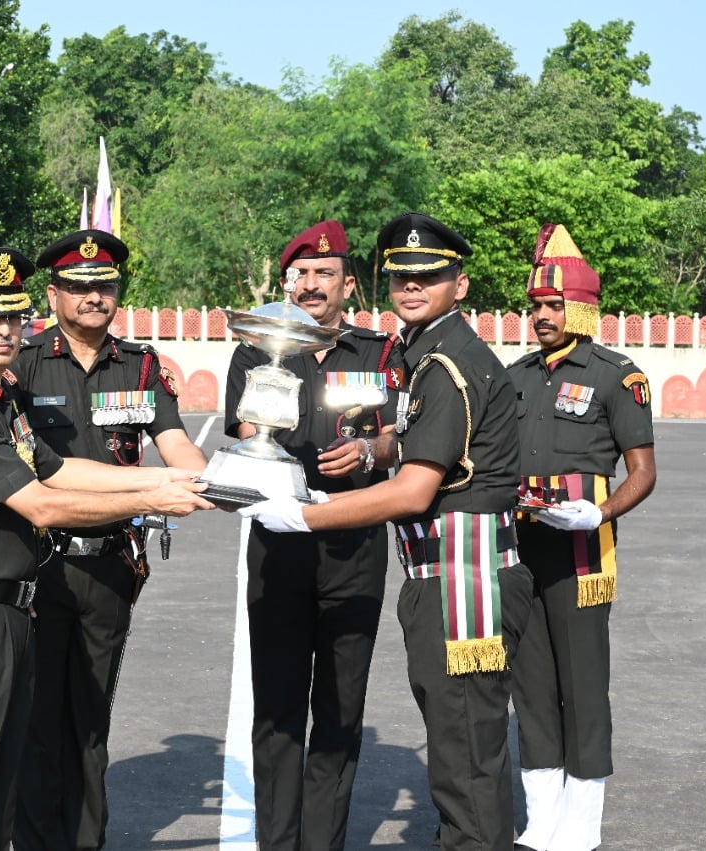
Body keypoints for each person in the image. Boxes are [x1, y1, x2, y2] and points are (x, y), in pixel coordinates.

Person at [0, 246, 212, 851]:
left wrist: (165, 480)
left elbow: (62, 467)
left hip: (7, 610)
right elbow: (41, 502)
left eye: (10, 317)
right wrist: (150, 500)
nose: (2, 330)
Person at [239, 212, 534, 851]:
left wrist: (306, 511)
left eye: (428, 277)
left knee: (463, 756)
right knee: (459, 752)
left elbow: (415, 489)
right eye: (402, 276)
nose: (411, 287)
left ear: (459, 284)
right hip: (428, 569)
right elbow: (415, 439)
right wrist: (377, 451)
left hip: (456, 573)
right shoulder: (421, 353)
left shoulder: (432, 360)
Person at [8, 229, 210, 851]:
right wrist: (155, 484)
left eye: (105, 286)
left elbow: (178, 448)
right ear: (53, 294)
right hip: (38, 564)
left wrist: (224, 474)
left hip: (113, 568)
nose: (94, 296)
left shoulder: (141, 365)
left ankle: (85, 841)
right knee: (37, 720)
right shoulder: (21, 364)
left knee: (92, 719)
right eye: (79, 286)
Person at [222, 220, 403, 850]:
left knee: (339, 707)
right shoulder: (257, 348)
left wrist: (370, 453)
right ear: (286, 282)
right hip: (279, 545)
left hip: (353, 545)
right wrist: (260, 440)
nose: (311, 285)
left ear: (348, 285)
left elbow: (400, 435)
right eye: (300, 273)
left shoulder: (381, 351)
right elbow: (244, 432)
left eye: (325, 274)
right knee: (275, 710)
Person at [506, 224, 657, 851]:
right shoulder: (512, 376)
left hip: (583, 552)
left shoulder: (616, 376)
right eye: (535, 306)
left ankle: (583, 823)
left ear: (582, 308)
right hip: (519, 549)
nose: (541, 316)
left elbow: (643, 472)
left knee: (583, 686)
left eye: (553, 305)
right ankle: (542, 816)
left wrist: (599, 515)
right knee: (530, 685)